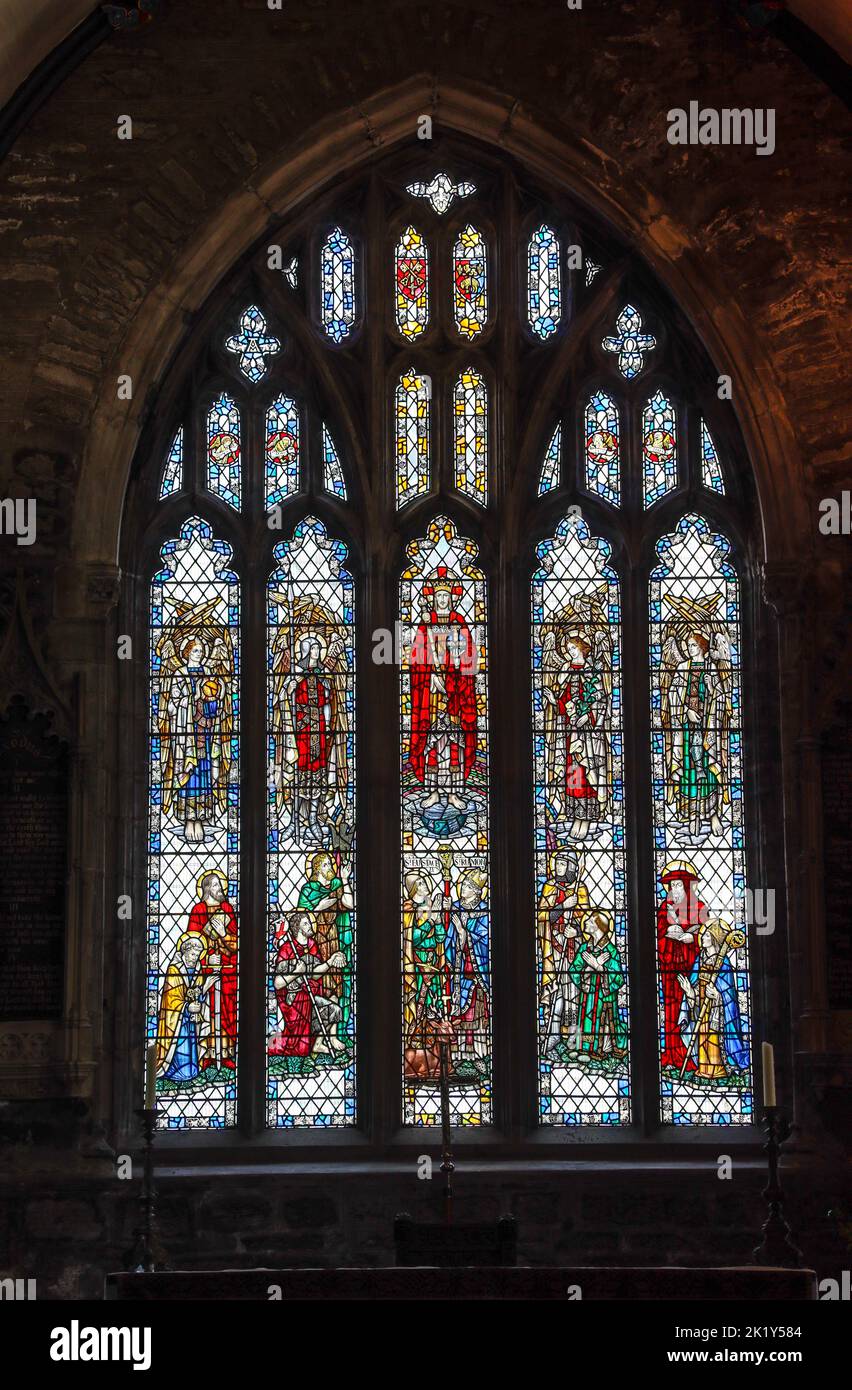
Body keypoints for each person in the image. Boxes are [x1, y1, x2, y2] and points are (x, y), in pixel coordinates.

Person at [407, 568, 477, 810]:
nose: (443, 600)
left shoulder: (459, 623)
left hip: (456, 693)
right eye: (439, 597)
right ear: (433, 599)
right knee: (433, 743)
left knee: (455, 742)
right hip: (433, 695)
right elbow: (416, 658)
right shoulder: (426, 625)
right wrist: (430, 678)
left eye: (447, 596)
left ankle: (455, 793)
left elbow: (470, 660)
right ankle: (434, 791)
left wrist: (455, 673)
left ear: (452, 598)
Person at [542, 625, 610, 839]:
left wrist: (588, 717)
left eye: (573, 648)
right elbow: (564, 702)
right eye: (568, 648)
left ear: (582, 648)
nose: (570, 652)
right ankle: (575, 816)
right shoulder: (566, 671)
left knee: (590, 770)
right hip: (571, 732)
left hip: (590, 734)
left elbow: (601, 700)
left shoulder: (593, 671)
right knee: (574, 772)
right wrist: (555, 701)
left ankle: (588, 817)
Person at [678, 918, 749, 1079]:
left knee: (713, 1037)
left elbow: (729, 991)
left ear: (715, 939)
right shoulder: (700, 958)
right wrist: (690, 992)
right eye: (703, 936)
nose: (702, 938)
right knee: (702, 1036)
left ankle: (718, 1068)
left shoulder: (723, 962)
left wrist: (717, 995)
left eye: (707, 936)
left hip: (717, 1009)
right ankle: (704, 1068)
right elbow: (696, 983)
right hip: (701, 1005)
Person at [269, 910, 346, 1057]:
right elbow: (278, 983)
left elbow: (315, 974)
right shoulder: (286, 949)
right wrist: (297, 972)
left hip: (310, 994)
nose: (310, 925)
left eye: (309, 922)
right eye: (306, 923)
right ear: (297, 927)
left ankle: (318, 1044)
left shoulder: (312, 945)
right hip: (294, 1001)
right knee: (301, 1050)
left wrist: (330, 962)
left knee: (335, 1010)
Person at [537, 850, 590, 1056]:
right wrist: (562, 906)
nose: (556, 868)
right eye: (556, 863)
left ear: (571, 868)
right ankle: (553, 1037)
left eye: (561, 864)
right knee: (555, 992)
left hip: (573, 950)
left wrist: (576, 931)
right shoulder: (549, 887)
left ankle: (575, 1043)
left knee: (575, 995)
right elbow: (541, 916)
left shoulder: (580, 889)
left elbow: (588, 920)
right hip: (553, 948)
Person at [186, 868, 238, 1071]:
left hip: (228, 970)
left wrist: (223, 933)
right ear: (207, 889)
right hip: (205, 968)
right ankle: (207, 1053)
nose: (220, 888)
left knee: (227, 1010)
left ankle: (226, 1054)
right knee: (208, 1009)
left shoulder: (228, 909)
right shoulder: (198, 911)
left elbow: (236, 944)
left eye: (220, 885)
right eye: (216, 885)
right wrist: (207, 945)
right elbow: (192, 941)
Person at [656, 859, 706, 1071]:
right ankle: (670, 1055)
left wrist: (691, 938)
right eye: (671, 885)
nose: (673, 889)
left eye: (677, 884)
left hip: (691, 966)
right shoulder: (663, 908)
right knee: (670, 1011)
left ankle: (691, 1055)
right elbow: (659, 934)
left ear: (687, 886)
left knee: (692, 1008)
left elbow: (707, 935)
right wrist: (670, 929)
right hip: (668, 967)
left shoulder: (700, 907)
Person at [297, 850, 353, 1028]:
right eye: (326, 864)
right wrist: (319, 907)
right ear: (317, 869)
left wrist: (345, 880)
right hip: (315, 939)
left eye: (330, 863)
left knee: (335, 981)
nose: (330, 867)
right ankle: (316, 1036)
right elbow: (300, 918)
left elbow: (350, 904)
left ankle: (333, 1034)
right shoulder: (308, 889)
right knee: (318, 980)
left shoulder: (337, 884)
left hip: (333, 935)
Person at [444, 868, 490, 1072]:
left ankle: (479, 1055)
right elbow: (448, 938)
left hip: (477, 971)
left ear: (477, 891)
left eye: (467, 886)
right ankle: (460, 1055)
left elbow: (484, 940)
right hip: (459, 971)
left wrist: (464, 932)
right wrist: (443, 916)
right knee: (461, 1016)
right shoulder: (454, 908)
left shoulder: (484, 910)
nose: (462, 888)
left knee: (477, 1016)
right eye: (462, 884)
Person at [569, 909, 627, 1060]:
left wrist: (600, 967)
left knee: (605, 1020)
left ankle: (604, 1049)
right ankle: (586, 1048)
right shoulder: (584, 948)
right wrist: (592, 966)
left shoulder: (611, 951)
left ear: (597, 926)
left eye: (589, 921)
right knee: (587, 1019)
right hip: (588, 995)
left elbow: (619, 978)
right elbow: (573, 970)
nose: (586, 923)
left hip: (604, 996)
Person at [155, 933, 208, 1083]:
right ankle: (173, 1070)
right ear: (184, 951)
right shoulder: (174, 970)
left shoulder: (198, 969)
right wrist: (186, 1007)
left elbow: (197, 991)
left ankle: (192, 1070)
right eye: (192, 954)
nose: (194, 958)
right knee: (180, 1045)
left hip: (190, 1020)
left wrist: (199, 999)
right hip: (176, 1022)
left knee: (191, 1045)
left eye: (197, 955)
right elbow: (170, 1000)